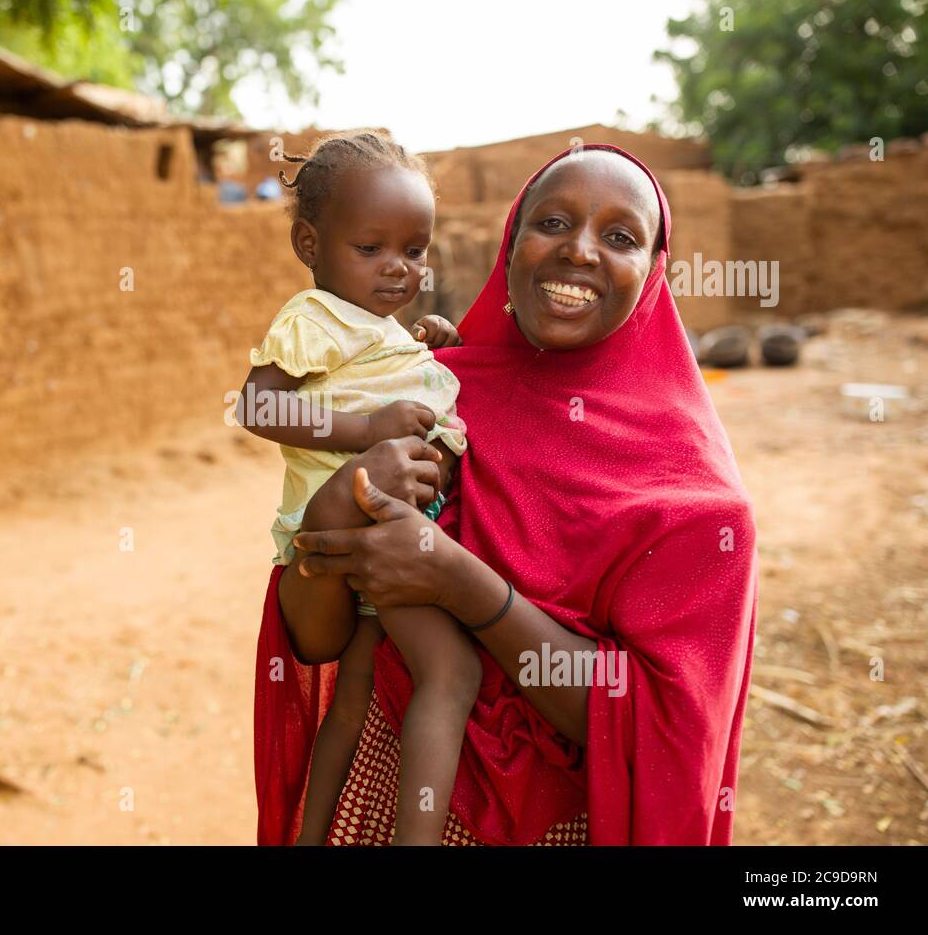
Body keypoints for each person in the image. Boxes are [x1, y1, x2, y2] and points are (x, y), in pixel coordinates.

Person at [254, 144, 759, 846]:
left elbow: (659, 730)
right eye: (552, 223)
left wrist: (462, 583)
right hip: (384, 804)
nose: (580, 251)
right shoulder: (438, 396)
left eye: (620, 237)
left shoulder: (699, 503)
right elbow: (318, 640)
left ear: (653, 273)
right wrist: (335, 507)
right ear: (511, 243)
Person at [237, 129, 480, 846]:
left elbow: (391, 369)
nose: (396, 269)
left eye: (414, 250)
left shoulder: (375, 325)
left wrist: (429, 341)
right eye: (370, 249)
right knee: (451, 671)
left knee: (352, 701)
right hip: (354, 531)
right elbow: (256, 405)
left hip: (386, 537)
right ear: (309, 244)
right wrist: (366, 425)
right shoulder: (311, 319)